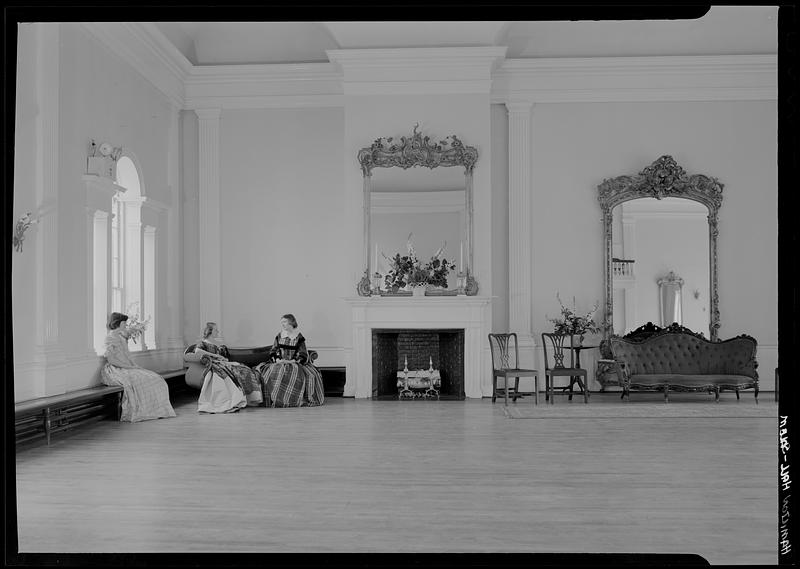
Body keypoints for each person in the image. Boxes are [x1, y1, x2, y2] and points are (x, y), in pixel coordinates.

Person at [101, 312, 176, 422]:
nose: (126, 325)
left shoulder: (121, 337)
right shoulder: (110, 338)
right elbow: (112, 360)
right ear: (118, 323)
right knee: (139, 380)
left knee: (155, 378)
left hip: (126, 366)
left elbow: (127, 356)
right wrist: (129, 367)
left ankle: (158, 409)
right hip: (116, 368)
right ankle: (145, 410)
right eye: (124, 323)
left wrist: (134, 366)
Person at [184, 322, 263, 407]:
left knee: (244, 369)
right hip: (213, 364)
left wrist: (223, 358)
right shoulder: (203, 343)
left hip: (222, 362)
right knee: (236, 371)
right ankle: (237, 399)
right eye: (215, 330)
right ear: (210, 331)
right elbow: (198, 351)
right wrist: (215, 355)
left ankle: (251, 398)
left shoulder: (216, 343)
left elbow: (222, 355)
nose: (217, 331)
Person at [254, 314, 325, 407]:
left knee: (299, 374)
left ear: (291, 322)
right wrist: (277, 359)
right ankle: (275, 399)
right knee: (272, 371)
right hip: (280, 361)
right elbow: (273, 350)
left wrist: (293, 361)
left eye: (284, 322)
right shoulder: (280, 335)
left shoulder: (298, 337)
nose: (282, 324)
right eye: (281, 322)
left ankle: (290, 400)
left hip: (294, 362)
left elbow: (303, 353)